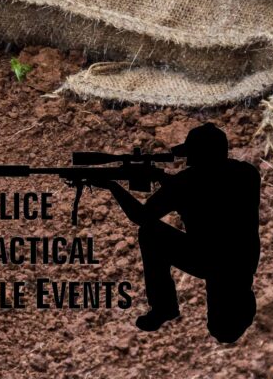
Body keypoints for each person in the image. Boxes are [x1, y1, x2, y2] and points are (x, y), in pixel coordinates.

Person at [97, 123, 260, 343]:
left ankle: (164, 307)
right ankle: (237, 303)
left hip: (209, 261)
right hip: (241, 263)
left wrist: (113, 187)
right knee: (225, 329)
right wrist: (166, 180)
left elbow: (141, 216)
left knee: (149, 233)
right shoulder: (247, 174)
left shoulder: (184, 183)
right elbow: (210, 189)